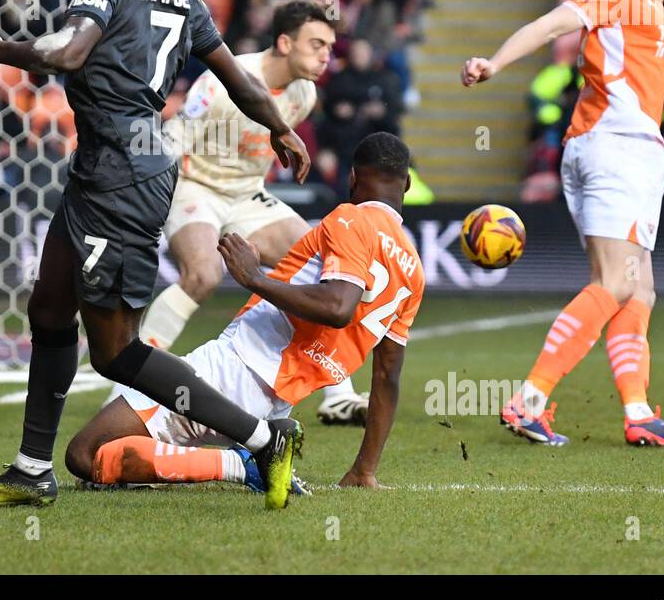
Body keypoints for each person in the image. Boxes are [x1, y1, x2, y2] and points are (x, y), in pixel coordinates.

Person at [0, 0, 312, 510]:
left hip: (121, 175)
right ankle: (31, 470)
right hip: (113, 165)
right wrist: (281, 127)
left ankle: (263, 440)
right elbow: (238, 78)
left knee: (117, 354)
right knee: (49, 308)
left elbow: (69, 53)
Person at [461, 0, 664, 447]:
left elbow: (641, 82)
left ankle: (638, 413)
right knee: (616, 283)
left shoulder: (650, 2)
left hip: (625, 151)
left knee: (638, 291)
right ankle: (528, 402)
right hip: (614, 151)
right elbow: (554, 22)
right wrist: (496, 62)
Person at [65, 133, 425, 492]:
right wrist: (364, 469)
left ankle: (246, 463)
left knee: (85, 453)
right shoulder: (414, 271)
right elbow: (387, 378)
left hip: (232, 370)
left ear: (351, 177)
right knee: (112, 466)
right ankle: (251, 451)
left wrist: (254, 278)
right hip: (274, 403)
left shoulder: (351, 219)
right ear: (406, 183)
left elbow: (337, 306)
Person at [139, 0, 371, 427]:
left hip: (247, 196)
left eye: (329, 47)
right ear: (284, 42)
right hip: (197, 186)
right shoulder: (223, 81)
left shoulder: (304, 94)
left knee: (327, 268)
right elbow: (172, 142)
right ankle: (136, 379)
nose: (326, 56)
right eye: (317, 44)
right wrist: (150, 203)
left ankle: (338, 395)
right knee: (204, 274)